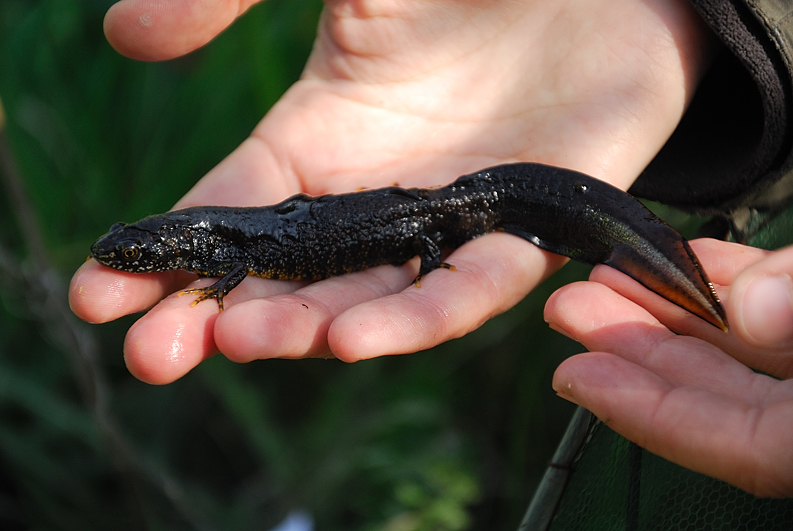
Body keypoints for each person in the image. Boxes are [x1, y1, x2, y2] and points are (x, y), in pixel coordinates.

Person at [68, 0, 793, 498]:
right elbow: (233, 253)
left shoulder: (213, 245)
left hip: (424, 215)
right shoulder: (202, 238)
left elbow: (232, 261)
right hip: (392, 212)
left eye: (128, 254)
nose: (125, 257)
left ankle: (647, 257)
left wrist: (428, 262)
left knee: (449, 223)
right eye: (129, 256)